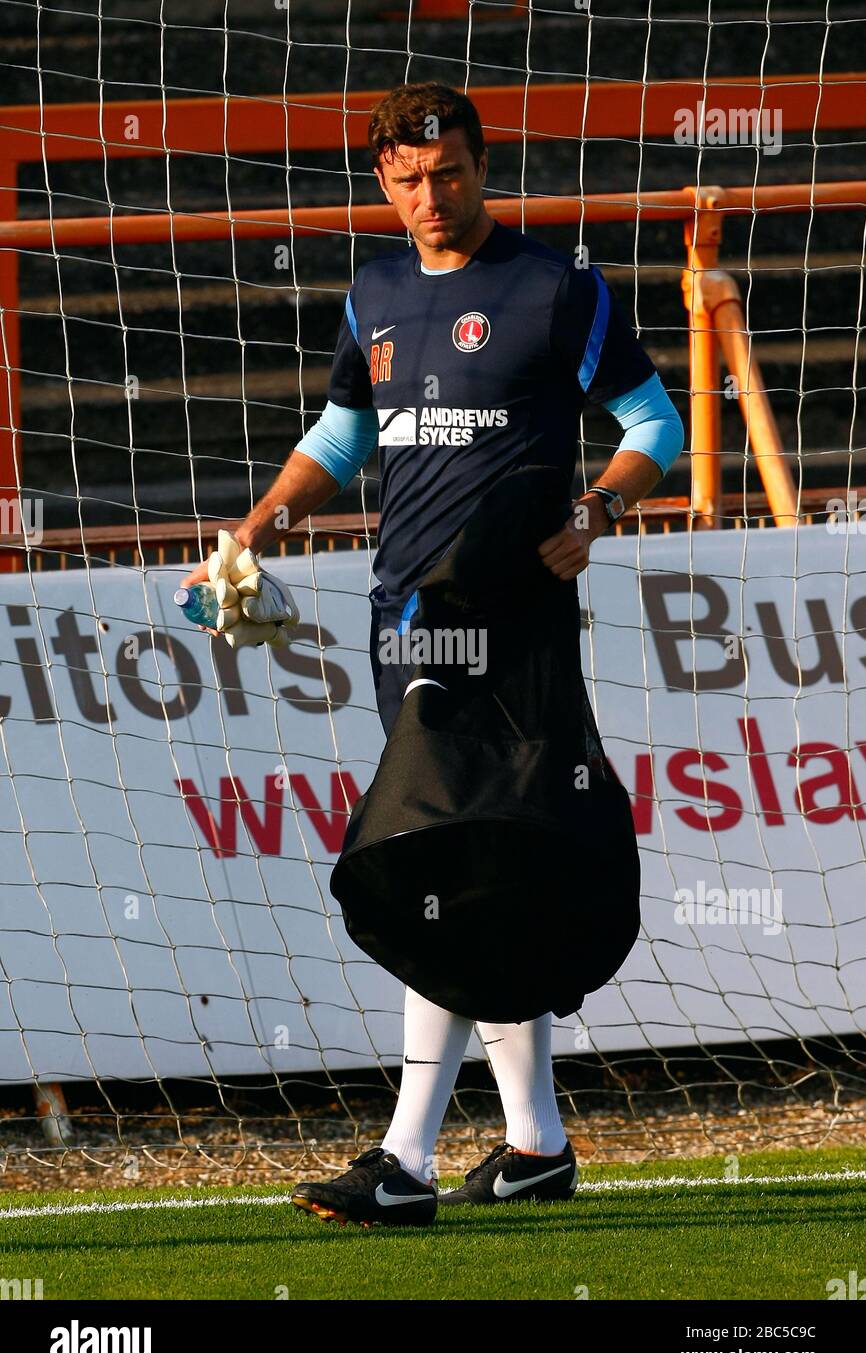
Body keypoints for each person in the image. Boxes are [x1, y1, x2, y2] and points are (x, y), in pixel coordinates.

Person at [183, 81, 684, 1228]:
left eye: (447, 172)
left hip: (505, 614)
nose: (429, 195)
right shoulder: (374, 292)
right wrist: (264, 522)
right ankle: (535, 1142)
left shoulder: (557, 289)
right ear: (380, 182)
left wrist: (600, 510)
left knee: (432, 860)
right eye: (406, 178)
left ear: (479, 165)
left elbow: (653, 424)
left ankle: (404, 1158)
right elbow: (345, 434)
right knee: (478, 864)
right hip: (401, 614)